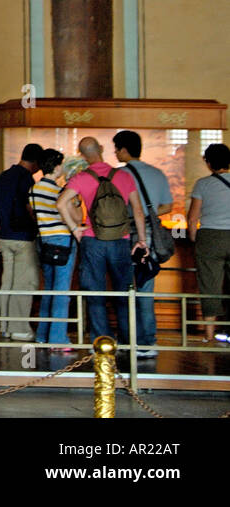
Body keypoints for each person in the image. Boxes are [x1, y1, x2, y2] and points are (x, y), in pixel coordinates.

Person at [56, 136, 149, 344]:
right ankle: (134, 342)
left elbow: (61, 203)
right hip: (120, 240)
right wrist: (141, 240)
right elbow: (138, 211)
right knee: (124, 292)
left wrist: (75, 229)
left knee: (94, 292)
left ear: (81, 155)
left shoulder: (81, 178)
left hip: (92, 239)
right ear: (102, 147)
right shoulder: (123, 176)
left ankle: (101, 341)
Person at [113, 129, 173, 358]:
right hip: (152, 239)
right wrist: (150, 213)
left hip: (127, 236)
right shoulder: (158, 174)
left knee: (124, 289)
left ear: (124, 150)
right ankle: (148, 341)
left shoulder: (119, 175)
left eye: (117, 148)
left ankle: (129, 340)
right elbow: (167, 206)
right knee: (146, 288)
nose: (116, 152)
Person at [0, 143, 43, 341]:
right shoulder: (27, 179)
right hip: (23, 238)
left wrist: (1, 231)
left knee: (7, 283)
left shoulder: (3, 176)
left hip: (5, 236)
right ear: (36, 162)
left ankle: (5, 326)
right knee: (24, 284)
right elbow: (29, 208)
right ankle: (19, 328)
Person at [31, 148, 76, 351]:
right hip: (62, 240)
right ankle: (58, 339)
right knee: (61, 290)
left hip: (44, 241)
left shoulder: (34, 189)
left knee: (49, 288)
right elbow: (73, 214)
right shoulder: (59, 192)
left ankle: (42, 334)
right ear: (57, 166)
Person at [187, 142, 230, 345]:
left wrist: (195, 238)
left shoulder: (202, 184)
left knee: (209, 285)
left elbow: (193, 217)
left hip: (210, 237)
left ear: (208, 162)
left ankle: (209, 334)